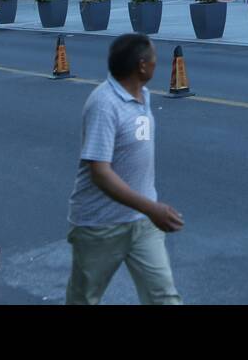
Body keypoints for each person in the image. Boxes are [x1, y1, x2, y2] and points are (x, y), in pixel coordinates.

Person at [66, 34, 184, 305]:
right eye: (154, 58)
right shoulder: (104, 105)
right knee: (83, 299)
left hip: (142, 224)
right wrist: (151, 208)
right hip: (100, 225)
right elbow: (100, 172)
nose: (158, 63)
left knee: (164, 298)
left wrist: (146, 209)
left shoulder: (143, 95)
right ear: (142, 66)